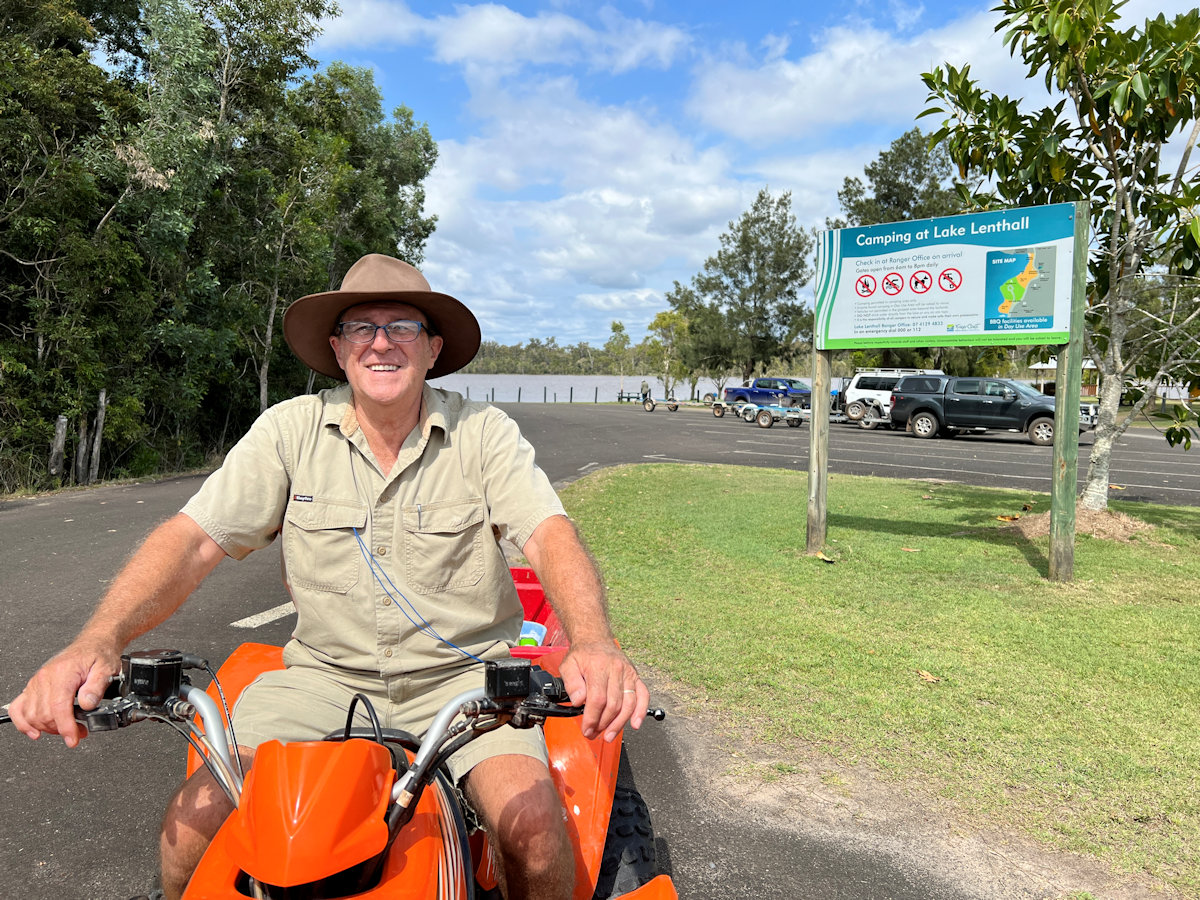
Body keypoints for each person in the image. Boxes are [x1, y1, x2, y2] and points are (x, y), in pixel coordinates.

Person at [7, 254, 650, 900]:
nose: (381, 341)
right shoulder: (292, 431)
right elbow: (193, 541)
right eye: (362, 327)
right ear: (339, 351)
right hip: (323, 679)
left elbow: (547, 533)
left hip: (464, 686)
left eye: (402, 325)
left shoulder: (483, 434)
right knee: (191, 826)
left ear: (432, 348)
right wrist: (97, 640)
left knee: (535, 833)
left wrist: (593, 640)